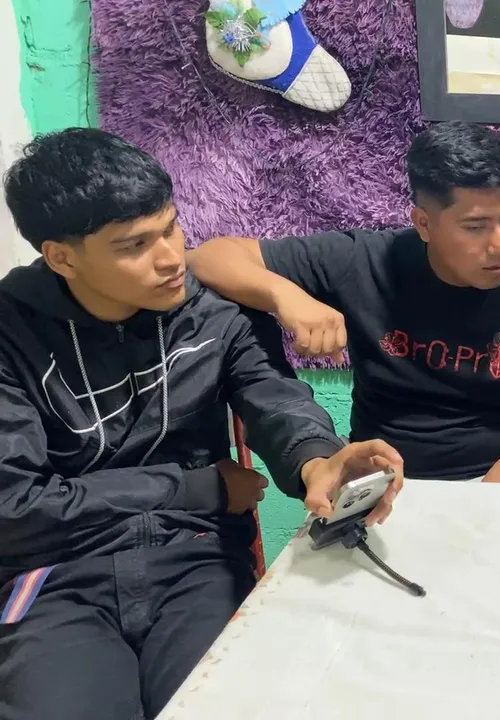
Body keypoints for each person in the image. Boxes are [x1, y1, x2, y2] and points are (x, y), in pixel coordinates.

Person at [0, 128, 405, 720]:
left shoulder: (214, 311)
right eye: (134, 245)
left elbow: (273, 398)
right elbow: (13, 506)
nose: (171, 258)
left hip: (197, 557)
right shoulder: (10, 335)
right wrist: (196, 486)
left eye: (170, 228)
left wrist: (319, 459)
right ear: (62, 257)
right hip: (56, 575)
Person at [188, 122, 500, 484]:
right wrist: (285, 296)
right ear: (424, 224)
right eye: (475, 227)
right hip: (384, 481)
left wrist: (472, 516)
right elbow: (206, 258)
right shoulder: (361, 261)